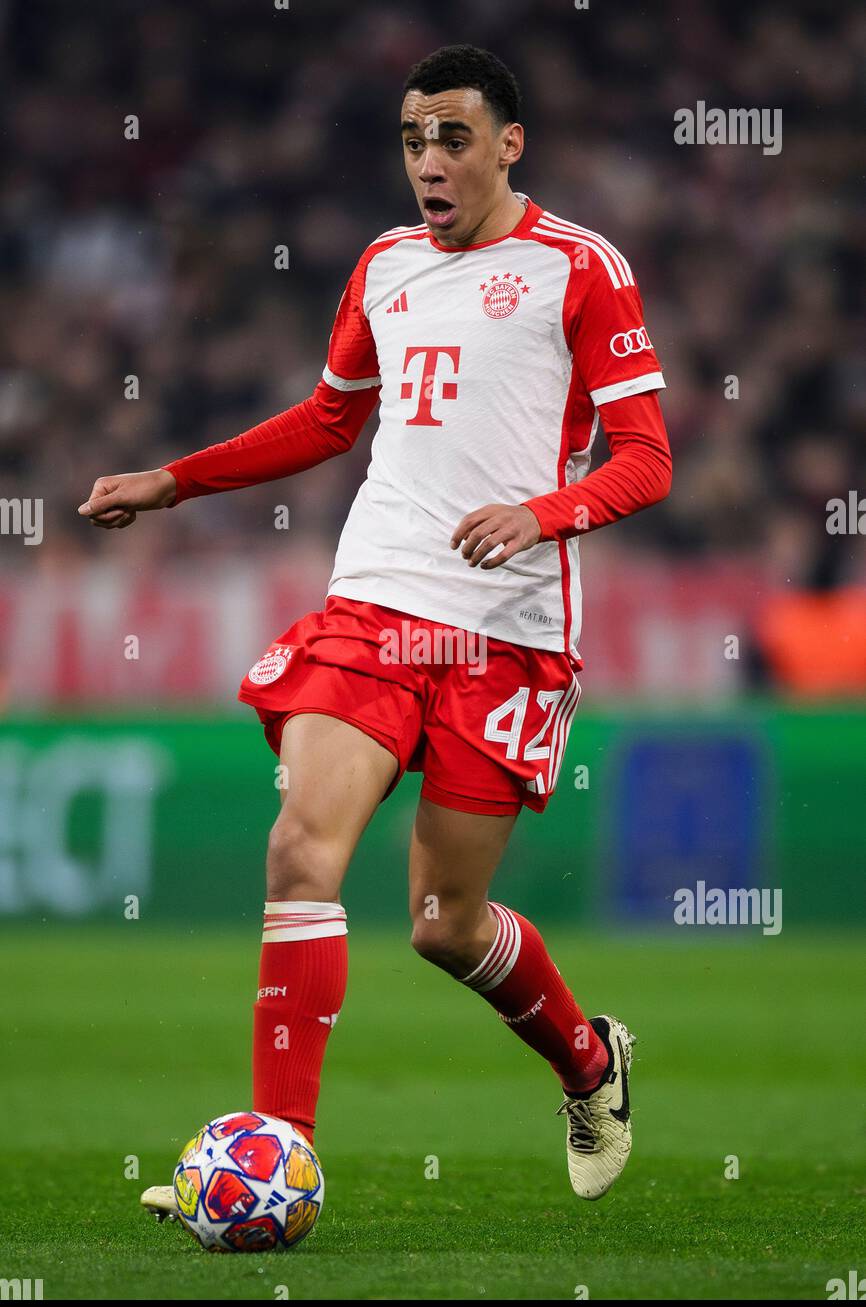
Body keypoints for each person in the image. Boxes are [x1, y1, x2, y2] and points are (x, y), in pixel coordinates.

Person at [80, 44, 671, 1210]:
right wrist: (176, 478)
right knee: (303, 846)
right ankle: (276, 1146)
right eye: (411, 139)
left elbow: (646, 460)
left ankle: (590, 1062)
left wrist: (541, 512)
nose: (428, 162)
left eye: (452, 137)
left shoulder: (578, 269)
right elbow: (325, 420)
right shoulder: (383, 267)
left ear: (509, 143)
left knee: (444, 926)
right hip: (377, 606)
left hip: (504, 631)